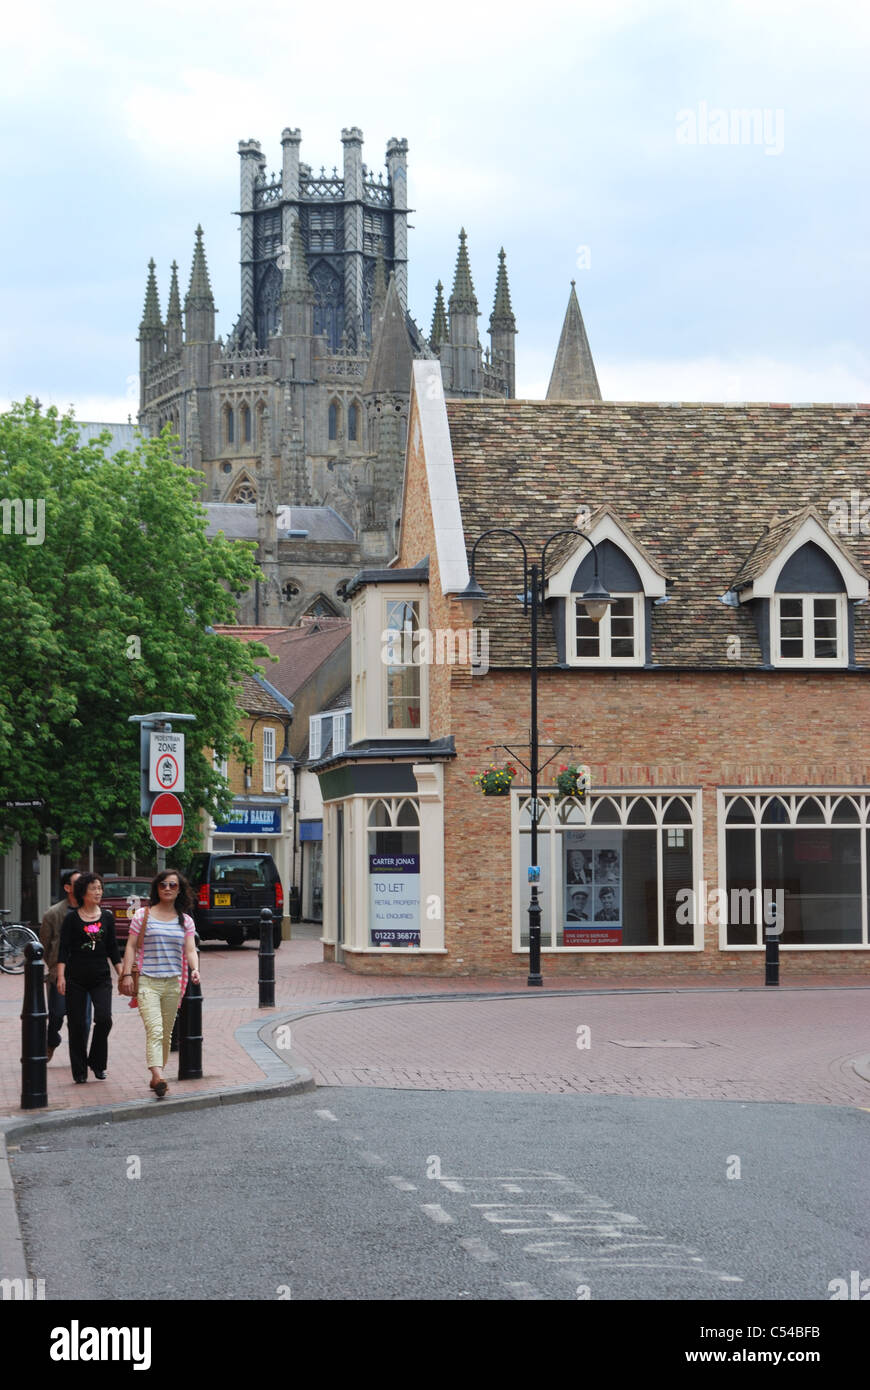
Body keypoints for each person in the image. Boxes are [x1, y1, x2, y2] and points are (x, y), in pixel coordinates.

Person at [119, 869, 200, 1100]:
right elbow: (131, 946)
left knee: (165, 1034)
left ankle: (158, 1074)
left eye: (172, 885)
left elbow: (190, 949)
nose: (167, 888)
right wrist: (126, 974)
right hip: (147, 982)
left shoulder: (185, 921)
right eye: (163, 884)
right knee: (154, 1029)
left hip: (173, 983)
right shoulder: (142, 916)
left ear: (179, 890)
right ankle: (157, 1075)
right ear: (156, 888)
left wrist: (195, 969)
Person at [56, 872, 122, 1083]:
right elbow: (63, 949)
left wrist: (123, 975)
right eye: (94, 888)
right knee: (76, 1025)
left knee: (104, 1019)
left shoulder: (107, 917)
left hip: (101, 977)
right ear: (83, 892)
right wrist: (60, 977)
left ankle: (97, 1062)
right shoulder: (71, 919)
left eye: (100, 888)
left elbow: (113, 948)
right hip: (75, 978)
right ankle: (79, 1070)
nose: (98, 892)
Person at [40, 869, 87, 1062]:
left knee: (83, 1022)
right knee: (57, 1015)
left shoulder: (91, 911)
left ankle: (80, 1059)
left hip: (84, 974)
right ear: (68, 888)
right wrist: (54, 965)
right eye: (78, 883)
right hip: (59, 973)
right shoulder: (54, 913)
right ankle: (52, 1040)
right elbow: (44, 942)